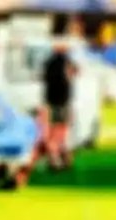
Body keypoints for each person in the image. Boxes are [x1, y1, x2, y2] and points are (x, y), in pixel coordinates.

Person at [42, 41, 77, 170]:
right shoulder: (67, 62)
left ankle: (56, 157)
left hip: (52, 101)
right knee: (61, 130)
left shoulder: (48, 63)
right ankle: (59, 157)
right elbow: (72, 75)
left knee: (54, 131)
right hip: (62, 101)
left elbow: (45, 79)